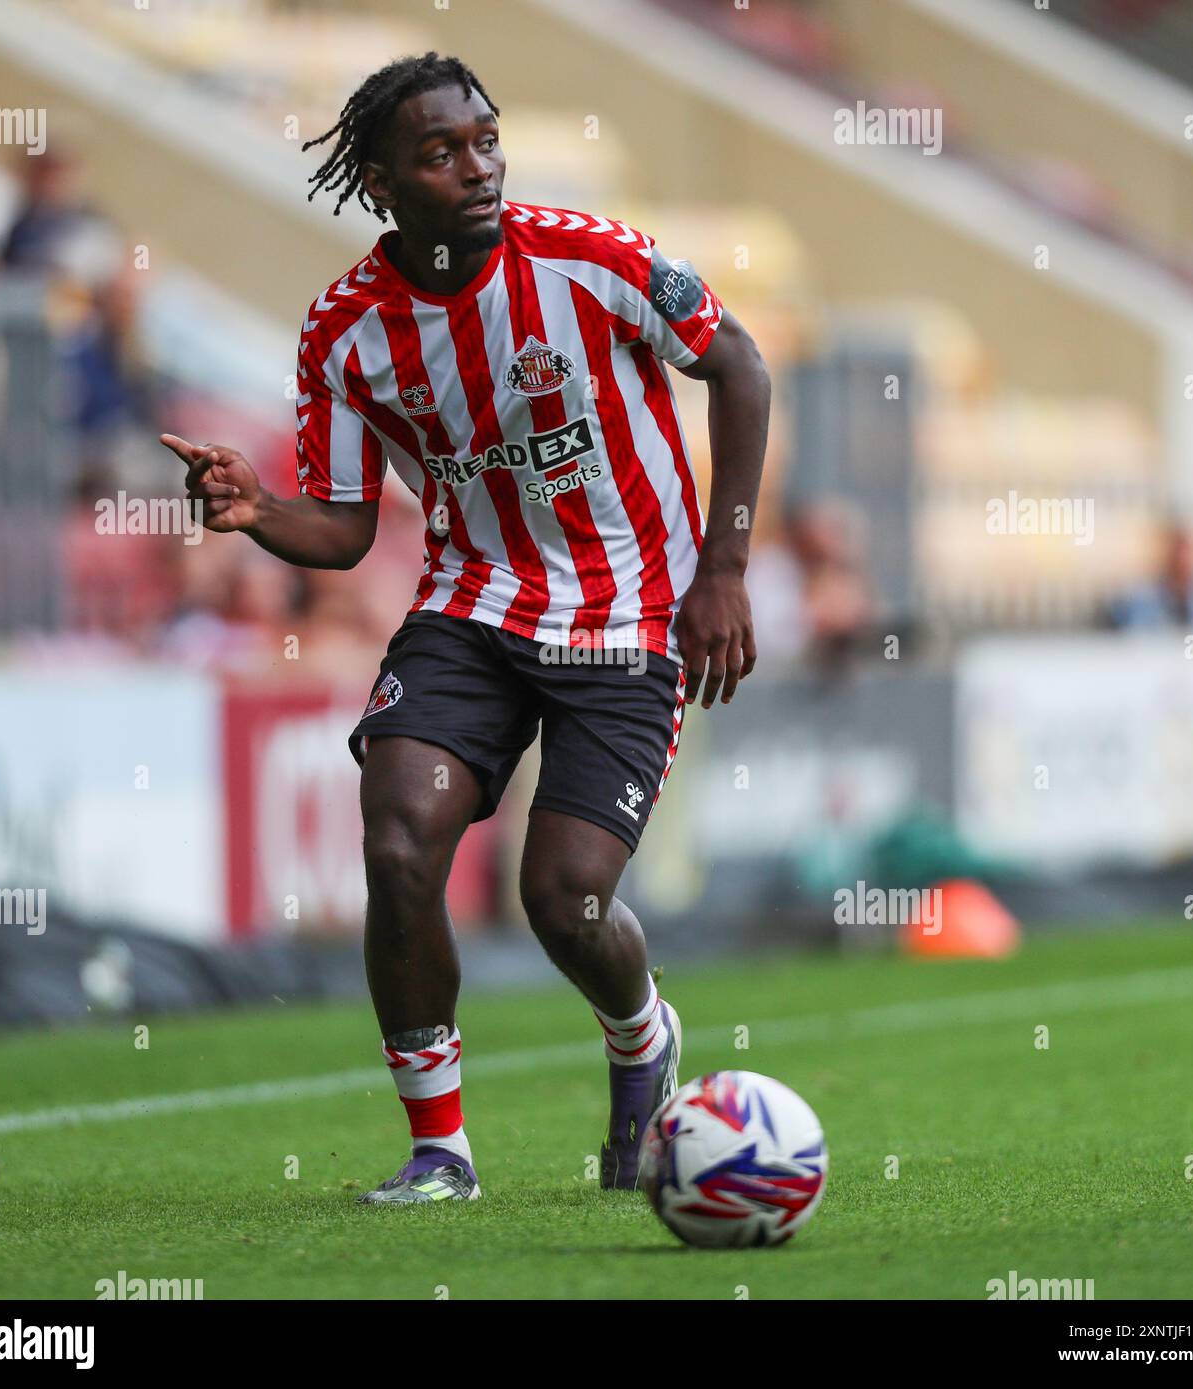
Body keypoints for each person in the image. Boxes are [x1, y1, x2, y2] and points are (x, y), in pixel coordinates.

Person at [161, 52, 770, 1204]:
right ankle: (440, 1148)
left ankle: (641, 1036)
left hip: (627, 611)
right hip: (471, 606)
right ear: (382, 184)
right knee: (396, 845)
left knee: (564, 900)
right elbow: (340, 532)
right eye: (440, 153)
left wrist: (723, 570)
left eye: (485, 139)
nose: (478, 167)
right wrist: (255, 512)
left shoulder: (593, 259)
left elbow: (736, 364)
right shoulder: (347, 331)